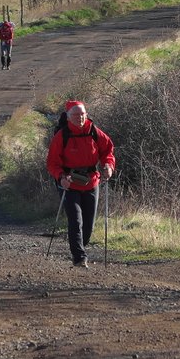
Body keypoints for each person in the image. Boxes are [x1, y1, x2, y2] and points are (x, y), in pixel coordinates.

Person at [45, 99, 115, 267]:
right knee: (76, 220)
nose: (80, 118)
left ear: (86, 115)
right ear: (68, 117)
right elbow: (52, 162)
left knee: (89, 223)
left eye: (82, 114)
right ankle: (79, 257)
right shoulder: (61, 136)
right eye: (76, 115)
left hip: (91, 181)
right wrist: (61, 176)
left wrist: (109, 166)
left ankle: (80, 248)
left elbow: (108, 151)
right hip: (68, 183)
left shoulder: (95, 132)